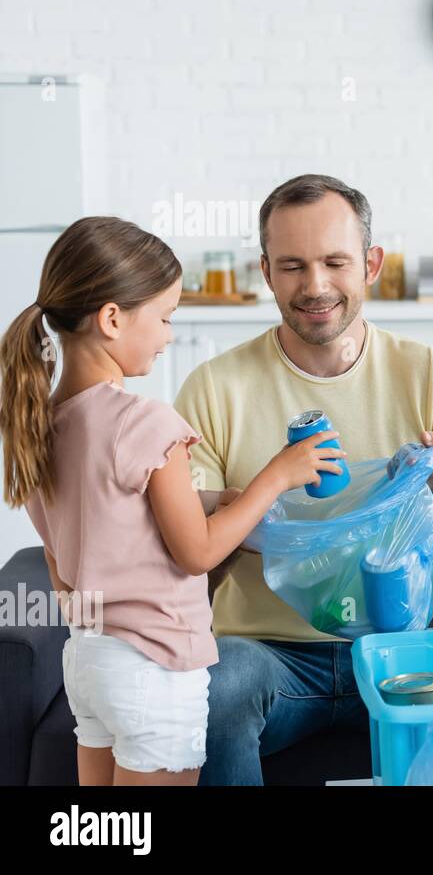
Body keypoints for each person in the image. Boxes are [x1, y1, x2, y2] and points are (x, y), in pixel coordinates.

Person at [172, 174, 433, 784]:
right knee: (217, 686)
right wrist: (254, 502)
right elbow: (188, 573)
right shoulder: (214, 387)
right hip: (266, 657)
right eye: (293, 266)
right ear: (265, 271)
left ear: (370, 264)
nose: (315, 286)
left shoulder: (427, 375)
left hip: (394, 656)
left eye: (335, 262)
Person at [0, 217, 339, 785]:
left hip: (88, 659)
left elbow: (76, 551)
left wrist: (203, 498)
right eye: (164, 317)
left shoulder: (42, 423)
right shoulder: (145, 421)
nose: (168, 335)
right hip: (154, 668)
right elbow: (197, 554)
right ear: (112, 319)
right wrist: (275, 478)